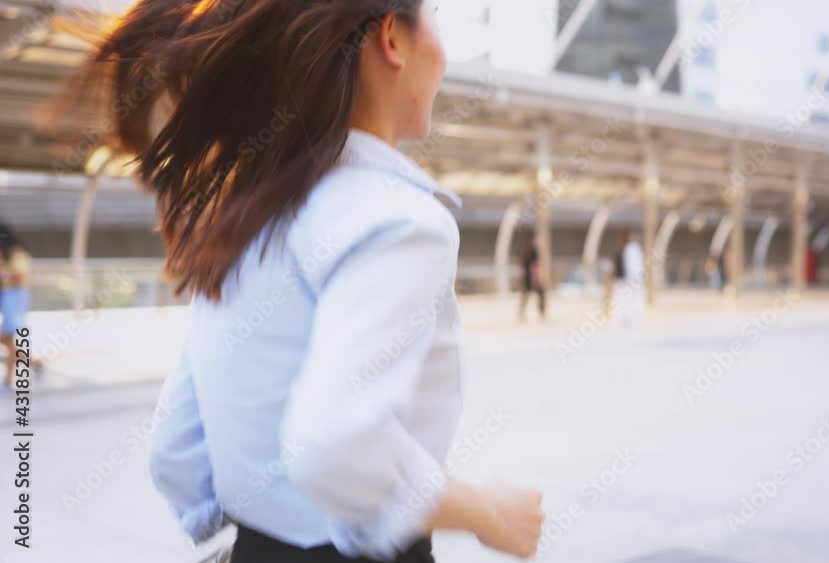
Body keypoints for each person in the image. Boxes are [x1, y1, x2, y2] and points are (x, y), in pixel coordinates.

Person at [60, 2, 543, 562]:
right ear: (391, 37)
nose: (443, 50)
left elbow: (174, 454)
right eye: (432, 17)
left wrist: (257, 526)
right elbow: (334, 448)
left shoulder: (247, 218)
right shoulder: (399, 221)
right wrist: (489, 513)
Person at [0, 223, 32, 391]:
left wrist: (3, 274)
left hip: (16, 296)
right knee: (5, 339)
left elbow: (19, 277)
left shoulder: (18, 254)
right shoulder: (4, 256)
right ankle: (31, 361)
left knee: (10, 338)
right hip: (7, 297)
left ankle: (7, 380)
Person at [613, 233, 645, 328]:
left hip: (628, 279)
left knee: (626, 298)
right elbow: (632, 265)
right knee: (626, 298)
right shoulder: (631, 249)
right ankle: (624, 315)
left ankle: (626, 315)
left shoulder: (629, 249)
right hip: (628, 279)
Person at [518, 235, 546, 321]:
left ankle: (521, 312)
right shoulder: (534, 251)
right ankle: (541, 313)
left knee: (526, 295)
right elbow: (534, 266)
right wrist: (535, 279)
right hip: (531, 277)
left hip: (526, 277)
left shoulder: (525, 251)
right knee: (541, 292)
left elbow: (522, 266)